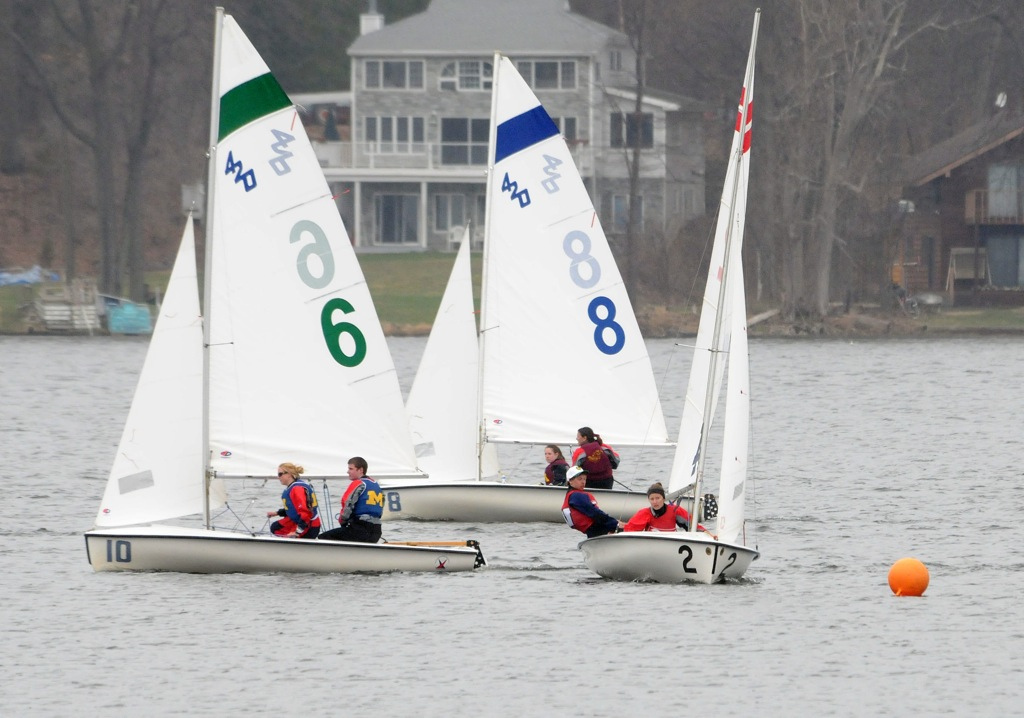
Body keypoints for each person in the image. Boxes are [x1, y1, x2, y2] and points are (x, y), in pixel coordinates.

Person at [318, 456, 384, 543]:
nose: (348, 471)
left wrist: (343, 522)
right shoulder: (376, 485)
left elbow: (348, 504)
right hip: (376, 531)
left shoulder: (358, 483)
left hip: (360, 529)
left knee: (323, 537)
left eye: (351, 469)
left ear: (360, 470)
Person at [561, 466, 624, 538]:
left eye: (584, 479)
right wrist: (615, 523)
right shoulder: (576, 496)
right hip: (596, 530)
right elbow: (594, 513)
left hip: (594, 531)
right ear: (570, 481)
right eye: (580, 479)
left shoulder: (573, 495)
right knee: (626, 527)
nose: (583, 482)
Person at [623, 482, 707, 533]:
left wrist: (706, 533)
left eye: (657, 498)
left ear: (663, 499)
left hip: (672, 545)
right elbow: (629, 530)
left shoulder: (675, 510)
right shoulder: (645, 513)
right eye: (652, 499)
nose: (655, 502)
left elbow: (693, 525)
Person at [266, 463, 321, 539]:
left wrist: (297, 532)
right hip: (301, 522)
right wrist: (277, 513)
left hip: (309, 525)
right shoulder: (293, 487)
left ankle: (292, 542)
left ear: (289, 474)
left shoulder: (297, 489)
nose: (278, 477)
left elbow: (306, 513)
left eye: (280, 474)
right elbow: (294, 509)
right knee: (275, 527)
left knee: (278, 529)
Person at [571, 426, 619, 490]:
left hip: (589, 483)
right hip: (607, 481)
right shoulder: (605, 447)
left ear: (584, 438)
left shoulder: (579, 452)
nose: (577, 438)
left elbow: (575, 470)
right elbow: (616, 461)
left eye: (578, 436)